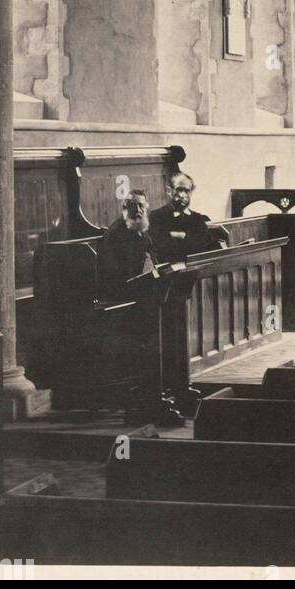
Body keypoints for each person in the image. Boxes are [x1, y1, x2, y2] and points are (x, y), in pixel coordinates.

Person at [96, 191, 183, 428]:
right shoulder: (116, 234)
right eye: (132, 206)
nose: (138, 210)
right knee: (143, 346)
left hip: (145, 298)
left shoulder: (142, 231)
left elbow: (152, 260)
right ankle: (146, 399)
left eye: (141, 206)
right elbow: (111, 275)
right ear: (124, 208)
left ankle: (162, 391)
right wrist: (139, 282)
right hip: (124, 303)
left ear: (147, 207)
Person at [148, 171, 221, 262]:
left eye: (187, 191)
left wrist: (181, 235)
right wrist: (191, 239)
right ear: (169, 191)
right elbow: (160, 248)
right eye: (179, 189)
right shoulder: (157, 216)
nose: (183, 195)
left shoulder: (198, 218)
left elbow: (207, 247)